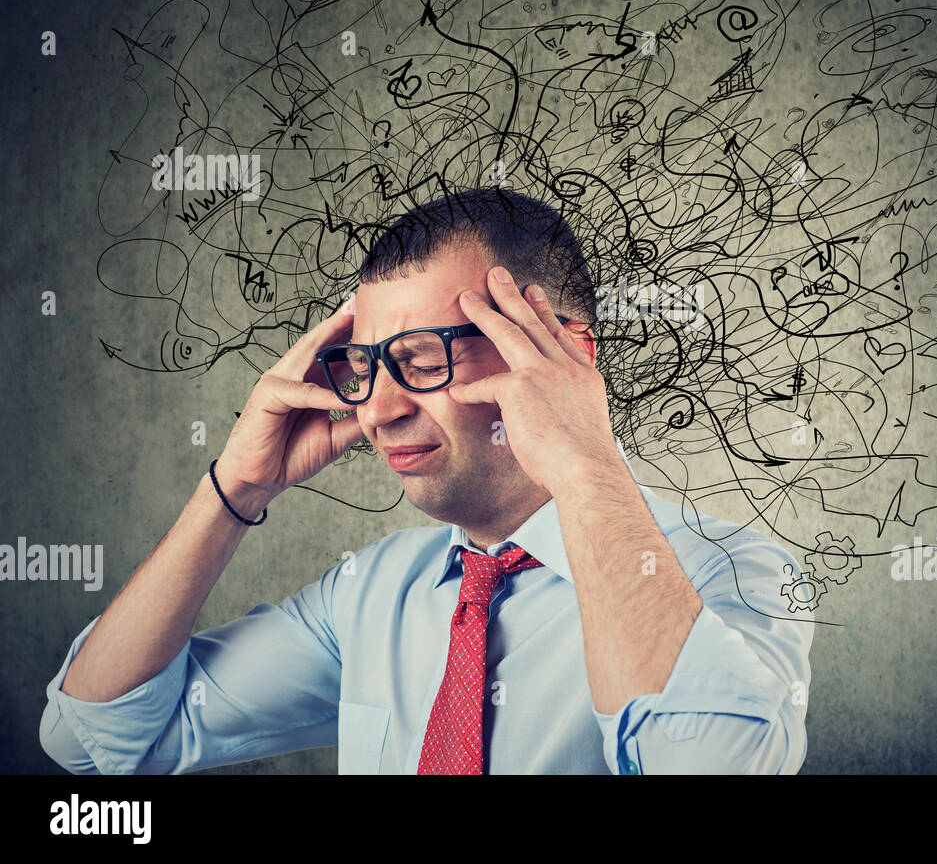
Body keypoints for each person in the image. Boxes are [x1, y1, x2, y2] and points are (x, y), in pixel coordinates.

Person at [39, 187, 814, 774]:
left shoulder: (733, 574)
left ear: (566, 353)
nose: (378, 410)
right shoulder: (368, 594)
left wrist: (584, 461)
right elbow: (92, 738)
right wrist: (234, 492)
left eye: (419, 359)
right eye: (365, 367)